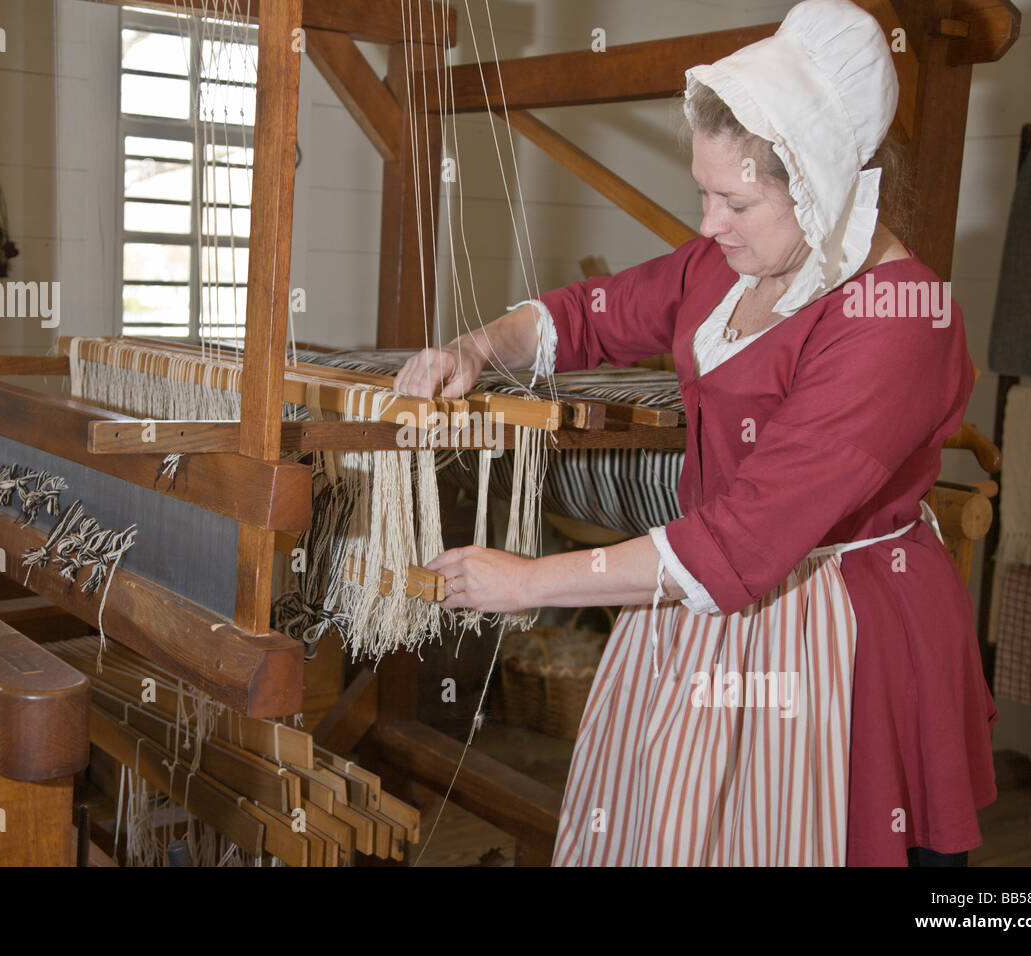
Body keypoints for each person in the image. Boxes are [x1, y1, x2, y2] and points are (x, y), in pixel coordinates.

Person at [393, 0, 996, 866]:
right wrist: (476, 347)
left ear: (821, 187)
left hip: (836, 630)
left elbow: (747, 541)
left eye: (735, 200)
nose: (708, 225)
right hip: (700, 593)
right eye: (703, 192)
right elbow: (588, 315)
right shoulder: (732, 261)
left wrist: (527, 583)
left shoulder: (899, 320)